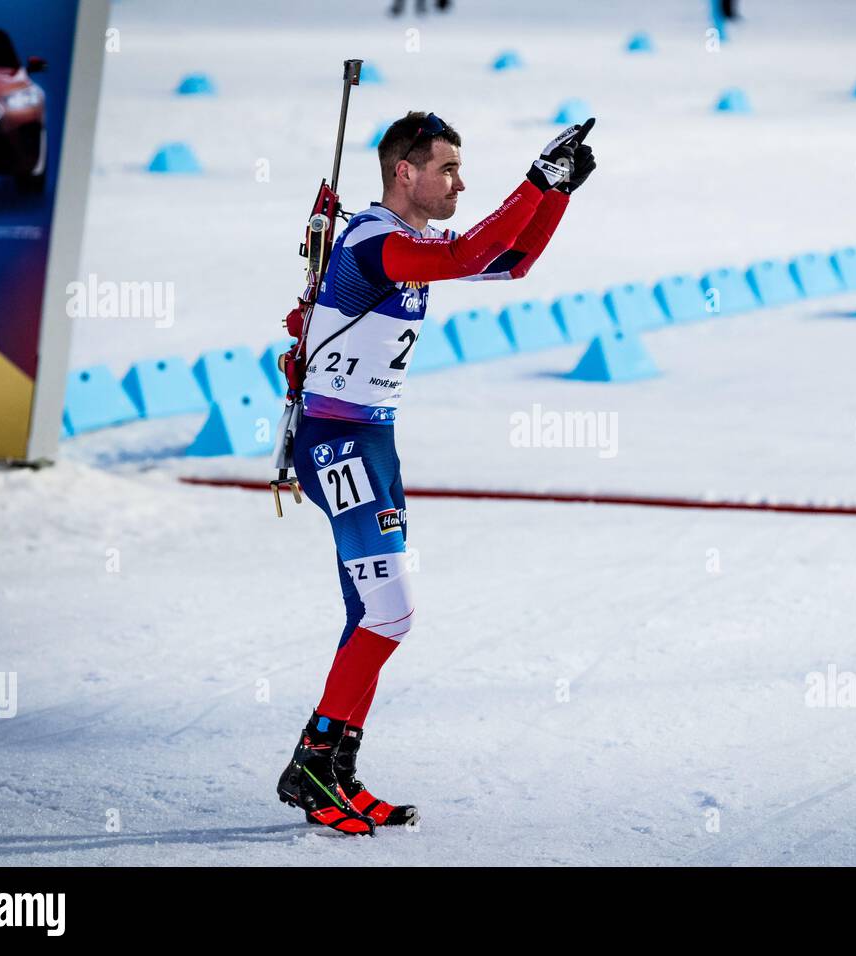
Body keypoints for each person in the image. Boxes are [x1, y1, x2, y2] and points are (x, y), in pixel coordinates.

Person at [275, 110, 597, 834]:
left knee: (373, 616)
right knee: (392, 614)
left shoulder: (412, 241)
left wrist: (557, 194)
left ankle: (335, 772)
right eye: (446, 169)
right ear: (404, 173)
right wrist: (532, 181)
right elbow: (466, 254)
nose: (458, 182)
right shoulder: (374, 242)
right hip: (337, 444)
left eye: (459, 169)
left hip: (375, 442)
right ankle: (310, 764)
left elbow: (508, 259)